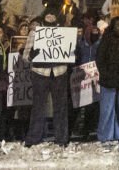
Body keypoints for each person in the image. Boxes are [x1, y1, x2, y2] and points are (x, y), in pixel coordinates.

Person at [24, 9, 73, 147]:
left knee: (61, 107)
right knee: (38, 107)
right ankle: (34, 138)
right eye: (48, 15)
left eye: (53, 15)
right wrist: (32, 54)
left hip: (59, 73)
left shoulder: (63, 33)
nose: (50, 17)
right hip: (40, 73)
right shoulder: (35, 33)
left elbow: (71, 51)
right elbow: (25, 56)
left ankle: (62, 139)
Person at [94, 17, 119, 148]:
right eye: (118, 25)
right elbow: (99, 59)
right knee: (107, 110)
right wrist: (106, 74)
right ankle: (105, 136)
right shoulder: (106, 40)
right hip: (109, 81)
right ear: (113, 26)